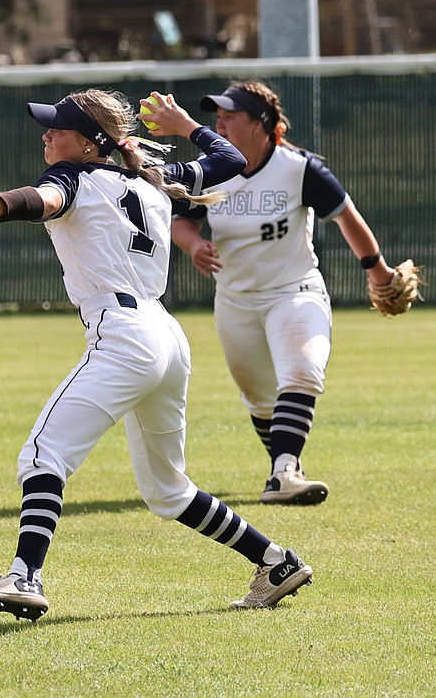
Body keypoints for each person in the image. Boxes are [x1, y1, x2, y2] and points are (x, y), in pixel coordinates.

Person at [0, 88, 313, 621]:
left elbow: (43, 200)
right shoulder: (153, 182)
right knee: (169, 490)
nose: (47, 134)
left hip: (122, 335)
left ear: (90, 142)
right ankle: (275, 560)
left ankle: (24, 576)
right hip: (166, 338)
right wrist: (189, 127)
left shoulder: (73, 178)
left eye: (57, 127)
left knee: (41, 455)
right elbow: (231, 161)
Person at [171, 80, 402, 506]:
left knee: (302, 371)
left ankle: (282, 474)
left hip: (294, 290)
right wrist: (193, 245)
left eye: (229, 116)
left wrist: (379, 272)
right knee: (260, 399)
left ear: (260, 124)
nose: (219, 123)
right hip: (236, 299)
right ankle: (285, 466)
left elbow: (346, 217)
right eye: (216, 116)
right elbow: (180, 219)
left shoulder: (298, 168)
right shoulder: (209, 169)